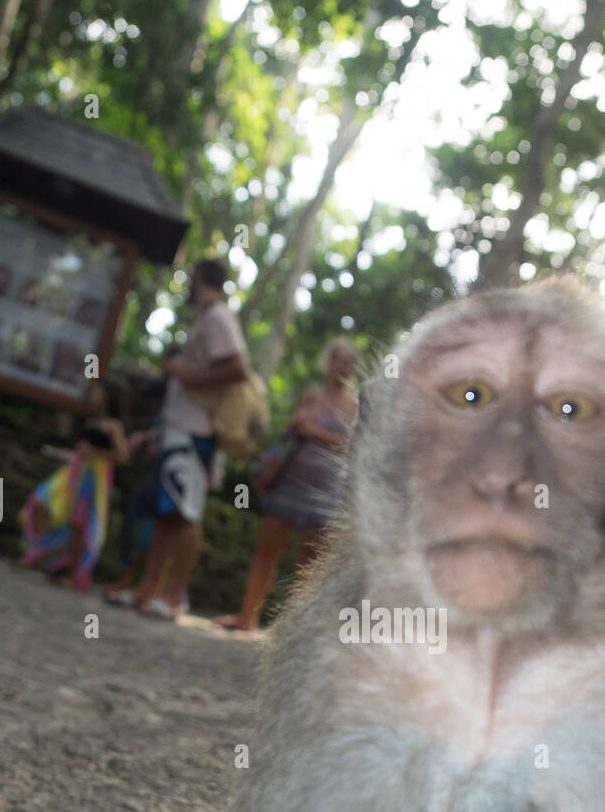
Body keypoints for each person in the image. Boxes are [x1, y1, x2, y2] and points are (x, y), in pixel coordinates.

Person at [129, 260, 249, 620]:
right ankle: (149, 590)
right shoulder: (207, 317)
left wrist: (186, 373)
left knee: (186, 514)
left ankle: (174, 597)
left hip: (196, 434)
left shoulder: (217, 317)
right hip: (179, 430)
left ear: (198, 278)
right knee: (167, 514)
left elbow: (238, 368)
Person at [214, 339, 359, 631]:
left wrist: (315, 431)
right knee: (266, 551)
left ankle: (296, 632)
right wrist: (296, 424)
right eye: (336, 359)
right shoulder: (310, 397)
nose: (341, 366)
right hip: (288, 482)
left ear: (353, 367)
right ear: (328, 363)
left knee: (309, 566)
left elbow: (355, 447)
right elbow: (288, 435)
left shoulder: (354, 406)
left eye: (347, 361)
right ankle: (247, 616)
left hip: (324, 493)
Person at [18, 378, 132, 591]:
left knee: (81, 525)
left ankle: (75, 575)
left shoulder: (113, 425)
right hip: (74, 474)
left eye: (98, 390)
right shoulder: (90, 420)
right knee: (43, 503)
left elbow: (123, 456)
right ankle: (37, 556)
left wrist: (95, 453)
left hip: (93, 480)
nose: (93, 394)